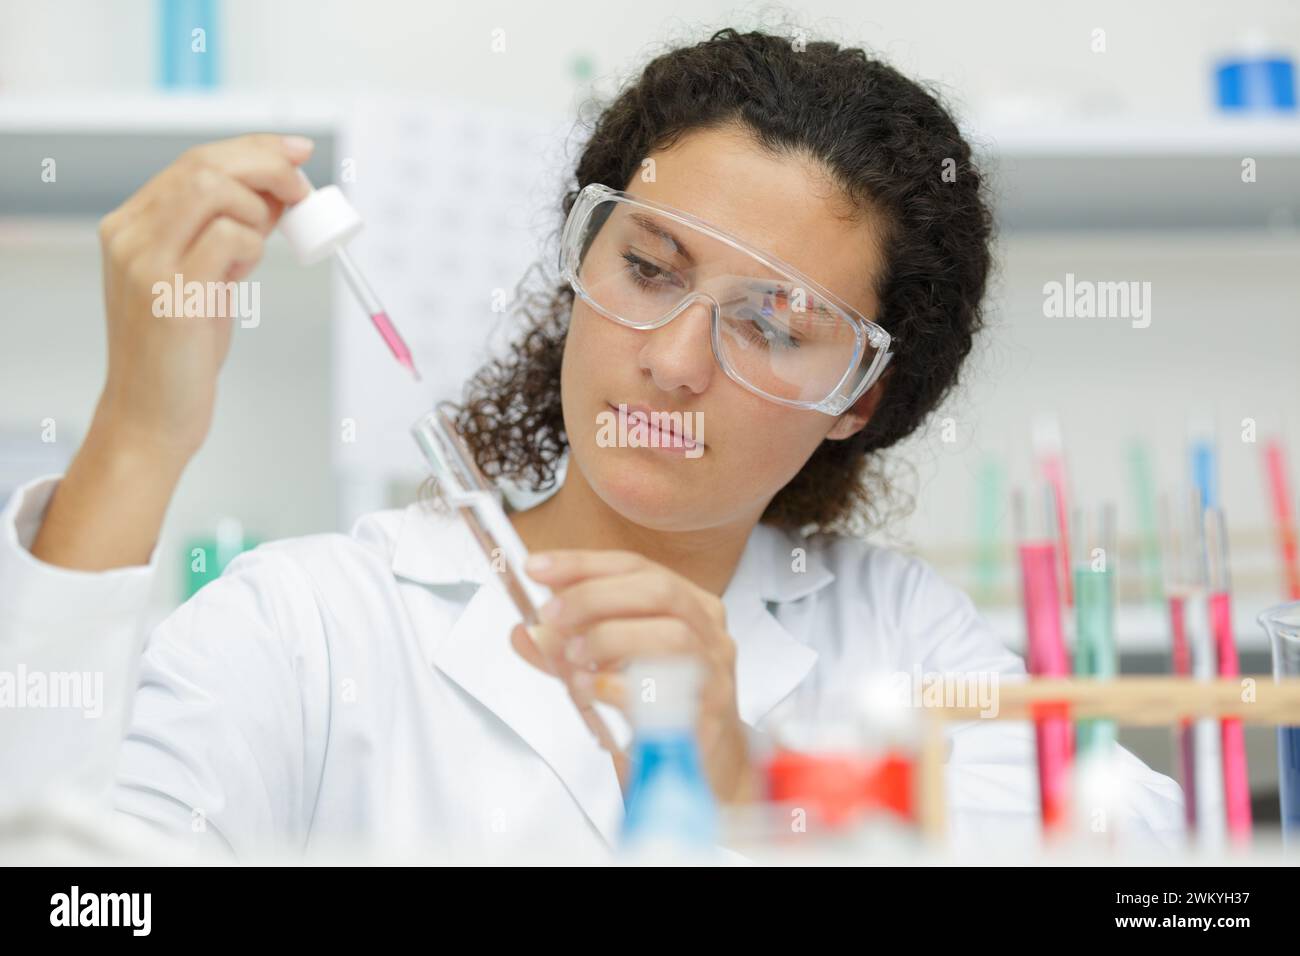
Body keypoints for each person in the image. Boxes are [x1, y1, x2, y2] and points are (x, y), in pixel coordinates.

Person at [0, 28, 1182, 861]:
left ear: (862, 397)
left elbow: (1148, 863)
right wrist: (142, 436)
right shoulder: (312, 625)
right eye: (648, 267)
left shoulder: (889, 633)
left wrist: (746, 796)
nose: (672, 359)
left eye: (773, 322)